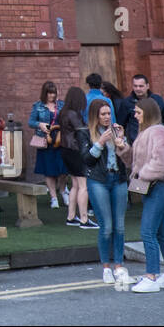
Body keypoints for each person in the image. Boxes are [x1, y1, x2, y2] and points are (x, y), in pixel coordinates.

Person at [128, 96, 164, 292]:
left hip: (158, 186)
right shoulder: (146, 132)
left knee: (147, 231)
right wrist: (123, 149)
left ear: (148, 113)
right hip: (152, 186)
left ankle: (151, 277)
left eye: (138, 112)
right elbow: (138, 161)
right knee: (161, 232)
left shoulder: (159, 131)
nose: (135, 115)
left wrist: (143, 174)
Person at [83, 100, 132, 289]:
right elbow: (87, 159)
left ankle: (118, 265)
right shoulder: (85, 133)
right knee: (107, 226)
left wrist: (122, 142)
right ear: (95, 116)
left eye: (108, 113)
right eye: (102, 114)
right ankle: (106, 267)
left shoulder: (116, 130)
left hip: (118, 179)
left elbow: (127, 158)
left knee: (119, 226)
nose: (106, 117)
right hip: (98, 181)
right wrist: (101, 142)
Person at [59, 86, 95, 229]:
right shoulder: (73, 114)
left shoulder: (63, 112)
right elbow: (82, 131)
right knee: (83, 186)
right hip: (75, 151)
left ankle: (71, 216)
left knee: (74, 185)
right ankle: (84, 219)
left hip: (65, 150)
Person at [28, 81, 66, 207]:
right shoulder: (38, 105)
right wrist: (40, 124)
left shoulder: (61, 104)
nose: (52, 96)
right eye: (49, 93)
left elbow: (67, 119)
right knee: (49, 170)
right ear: (45, 93)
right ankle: (53, 197)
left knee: (62, 169)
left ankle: (63, 191)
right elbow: (31, 122)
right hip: (45, 140)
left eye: (54, 93)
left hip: (60, 139)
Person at [120, 74, 164, 143]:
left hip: (156, 141)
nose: (138, 89)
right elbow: (121, 124)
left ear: (147, 86)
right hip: (135, 143)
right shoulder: (126, 103)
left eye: (141, 86)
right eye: (135, 86)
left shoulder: (157, 100)